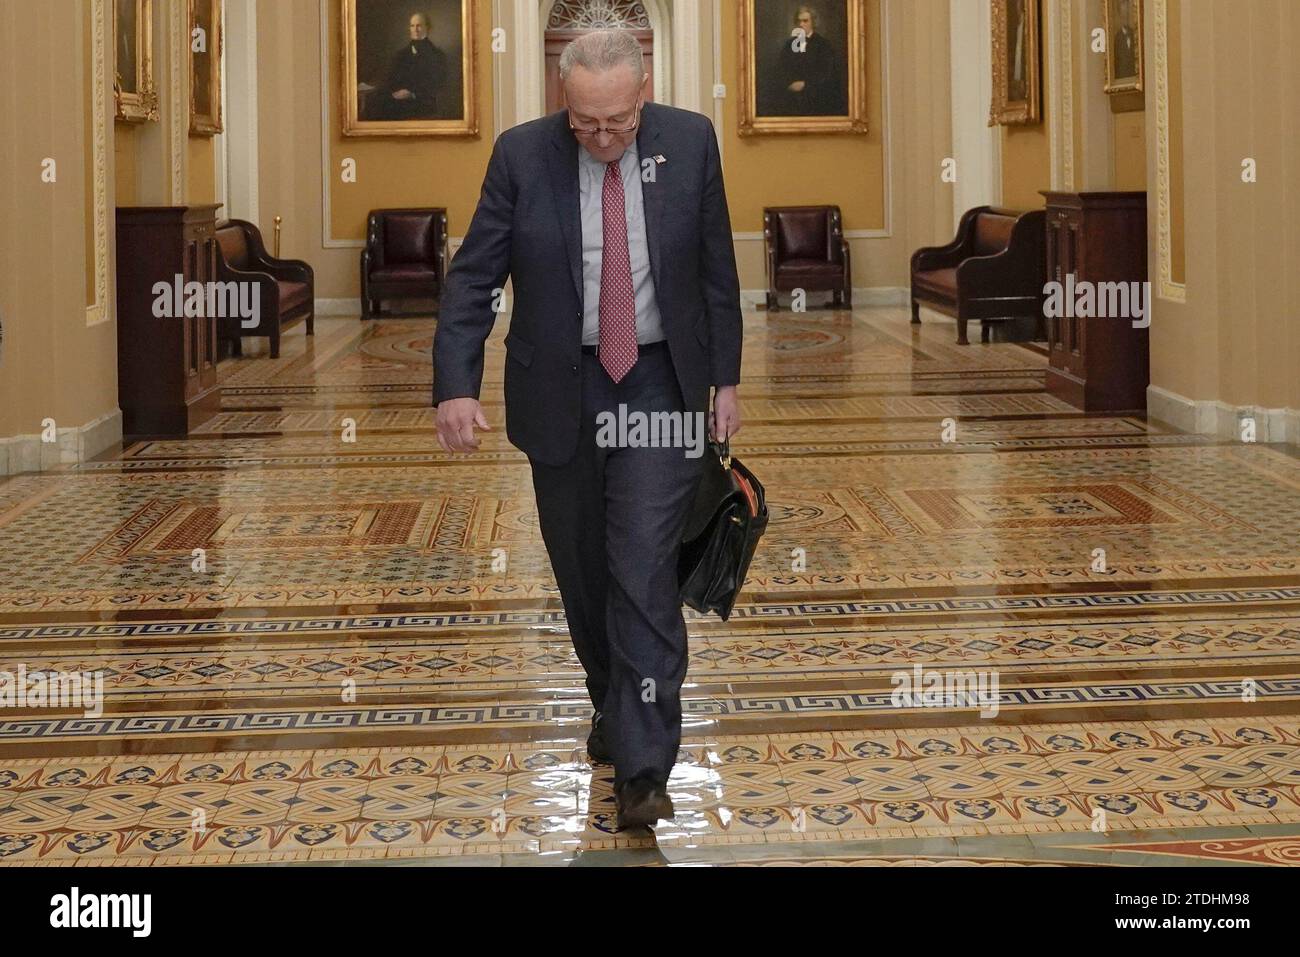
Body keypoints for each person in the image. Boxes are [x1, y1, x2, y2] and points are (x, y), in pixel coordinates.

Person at [433, 29, 743, 829]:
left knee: (642, 565)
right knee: (581, 573)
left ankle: (644, 767)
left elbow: (717, 270)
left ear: (642, 95)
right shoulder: (520, 155)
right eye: (585, 124)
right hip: (561, 388)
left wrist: (727, 382)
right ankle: (611, 693)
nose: (603, 139)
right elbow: (473, 278)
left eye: (618, 122)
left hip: (658, 381)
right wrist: (455, 387)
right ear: (561, 99)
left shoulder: (693, 141)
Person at [765, 5, 846, 116]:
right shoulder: (790, 44)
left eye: (805, 21)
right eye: (799, 21)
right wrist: (789, 84)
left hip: (816, 100)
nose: (801, 24)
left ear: (813, 22)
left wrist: (805, 84)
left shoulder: (823, 45)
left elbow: (827, 74)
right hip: (791, 99)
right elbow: (781, 70)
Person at [378, 12, 448, 120]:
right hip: (397, 101)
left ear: (427, 28)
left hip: (423, 103)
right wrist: (394, 93)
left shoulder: (437, 55)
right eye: (412, 26)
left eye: (419, 25)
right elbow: (390, 79)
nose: (415, 29)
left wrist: (413, 93)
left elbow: (438, 84)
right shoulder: (400, 54)